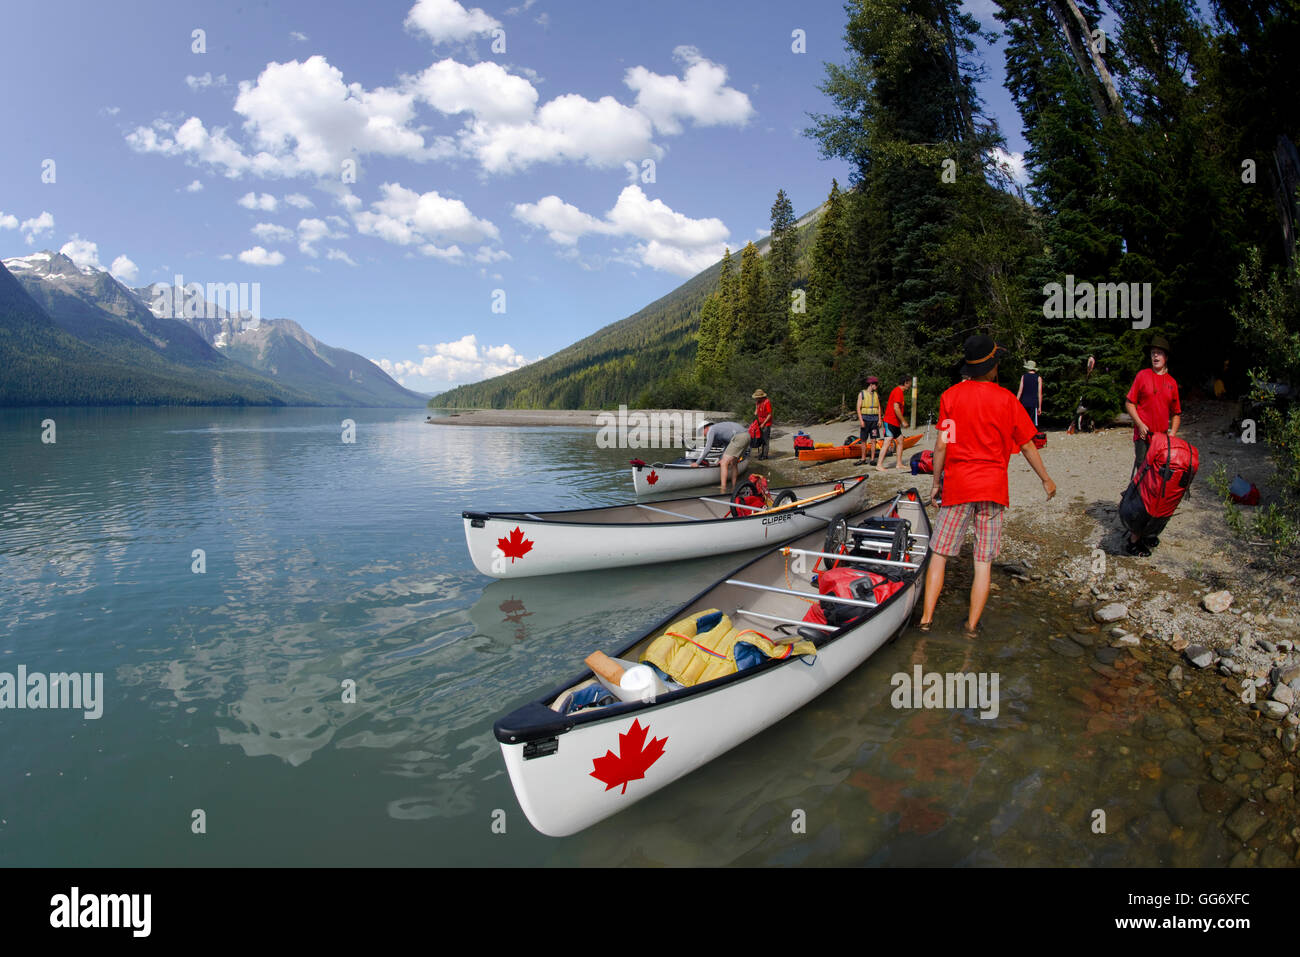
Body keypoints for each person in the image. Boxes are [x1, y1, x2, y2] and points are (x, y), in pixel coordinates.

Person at [918, 336, 1057, 639]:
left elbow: (942, 446)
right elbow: (1027, 443)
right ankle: (970, 629)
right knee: (983, 562)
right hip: (993, 489)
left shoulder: (951, 397)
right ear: (993, 368)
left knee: (939, 554)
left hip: (958, 487)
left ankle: (926, 621)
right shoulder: (1007, 400)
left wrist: (936, 481)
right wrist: (1045, 478)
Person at [1122, 335, 1181, 554]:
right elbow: (1129, 403)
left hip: (1162, 443)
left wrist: (1172, 434)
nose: (1155, 355)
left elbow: (1176, 414)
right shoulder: (1142, 376)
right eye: (1153, 352)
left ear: (1166, 357)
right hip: (1143, 439)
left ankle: (1147, 531)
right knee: (1144, 484)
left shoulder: (1172, 383)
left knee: (1160, 487)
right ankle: (1134, 538)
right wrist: (1140, 423)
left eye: (1159, 352)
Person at [690, 420, 749, 493]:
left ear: (705, 428)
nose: (703, 435)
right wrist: (720, 459)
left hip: (739, 437)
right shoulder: (719, 429)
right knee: (734, 463)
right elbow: (727, 446)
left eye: (702, 433)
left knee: (724, 463)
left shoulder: (711, 429)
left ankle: (723, 489)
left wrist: (697, 463)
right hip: (747, 436)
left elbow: (707, 448)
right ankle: (734, 488)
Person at [875, 374, 910, 471]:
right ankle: (879, 465)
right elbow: (896, 408)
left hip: (895, 422)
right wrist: (903, 421)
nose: (910, 385)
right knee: (888, 440)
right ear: (906, 383)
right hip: (890, 420)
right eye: (909, 383)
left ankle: (899, 463)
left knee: (900, 440)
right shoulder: (898, 391)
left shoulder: (900, 392)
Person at [856, 376, 882, 463]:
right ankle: (863, 459)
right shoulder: (862, 394)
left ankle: (872, 459)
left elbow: (878, 407)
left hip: (874, 420)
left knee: (873, 440)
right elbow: (858, 408)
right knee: (863, 440)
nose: (877, 386)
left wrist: (879, 419)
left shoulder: (876, 395)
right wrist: (861, 421)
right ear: (871, 384)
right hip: (865, 419)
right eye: (876, 384)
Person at [1016, 360, 1043, 427]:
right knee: (1033, 423)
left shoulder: (1023, 377)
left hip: (1024, 402)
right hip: (1033, 403)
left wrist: (1016, 402)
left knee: (1024, 422)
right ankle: (1032, 436)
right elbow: (1040, 393)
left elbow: (1020, 391)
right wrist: (1039, 407)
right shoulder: (1038, 378)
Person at [752, 389, 773, 460]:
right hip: (759, 422)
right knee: (760, 439)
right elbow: (756, 408)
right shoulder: (758, 402)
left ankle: (765, 455)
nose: (756, 398)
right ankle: (762, 453)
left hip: (766, 423)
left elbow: (769, 414)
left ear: (761, 397)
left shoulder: (767, 402)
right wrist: (755, 412)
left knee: (765, 439)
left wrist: (764, 423)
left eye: (757, 397)